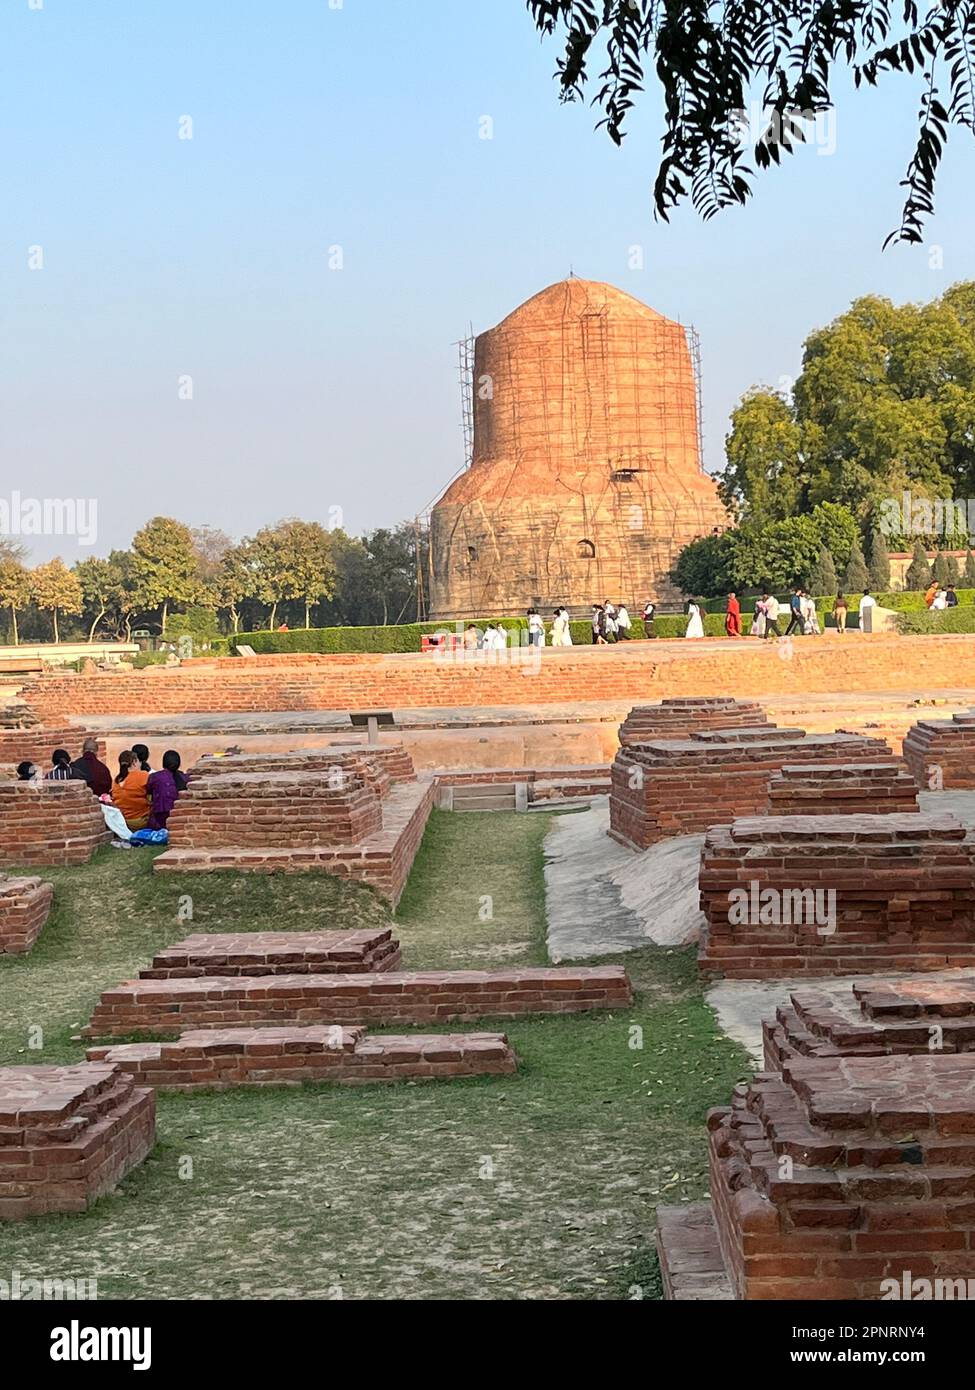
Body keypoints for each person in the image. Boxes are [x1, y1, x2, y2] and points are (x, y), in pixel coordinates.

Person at [111, 750, 151, 831]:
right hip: (140, 821)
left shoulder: (116, 780)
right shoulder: (143, 775)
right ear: (134, 762)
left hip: (121, 821)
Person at [147, 750, 187, 830]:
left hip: (159, 818)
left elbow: (148, 791)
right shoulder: (185, 778)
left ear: (164, 763)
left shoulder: (155, 777)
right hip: (180, 817)